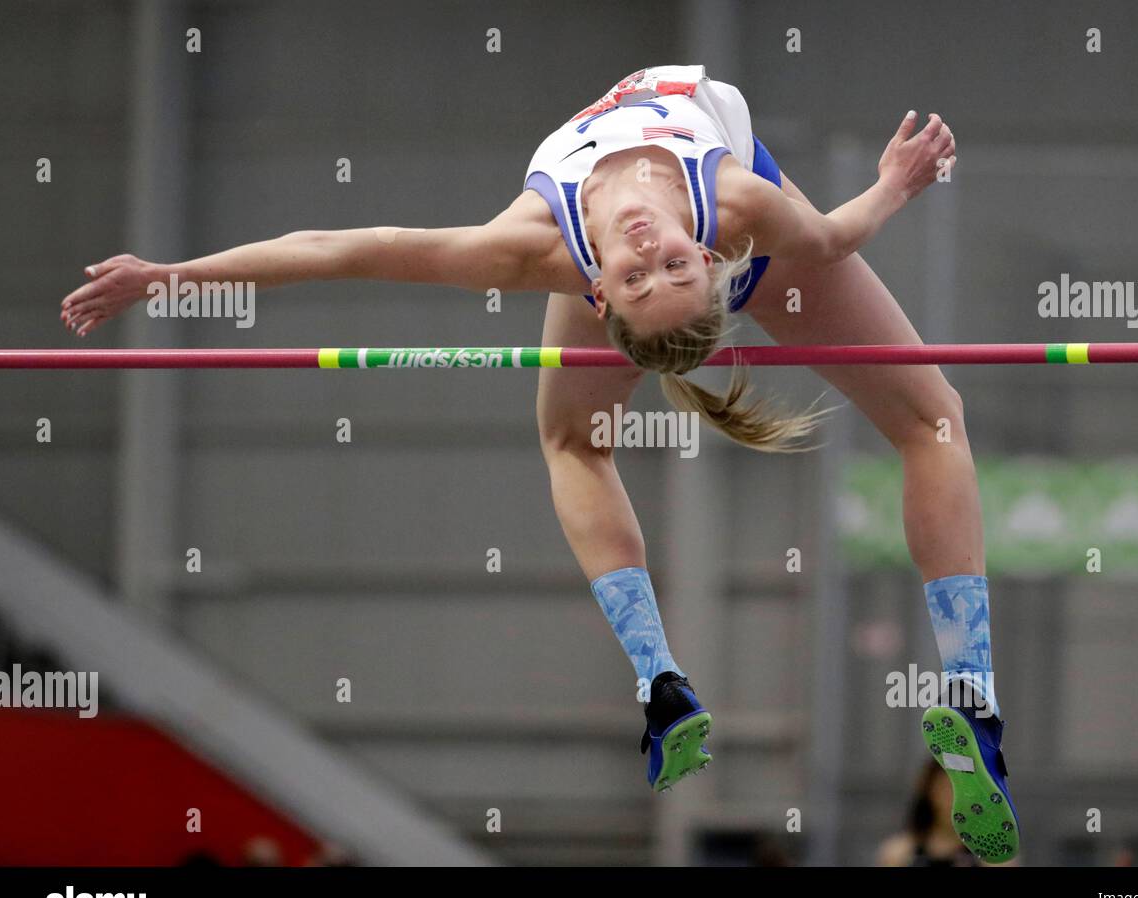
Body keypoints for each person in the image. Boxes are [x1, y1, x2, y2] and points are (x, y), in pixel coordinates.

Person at [59, 64, 1015, 857]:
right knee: (906, 421)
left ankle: (960, 696)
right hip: (750, 230)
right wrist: (895, 179)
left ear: (618, 289)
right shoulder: (663, 222)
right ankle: (667, 680)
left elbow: (342, 248)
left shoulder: (638, 230)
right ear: (609, 294)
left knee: (916, 423)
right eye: (653, 272)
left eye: (660, 269)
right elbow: (333, 249)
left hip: (762, 247)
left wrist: (175, 277)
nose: (650, 254)